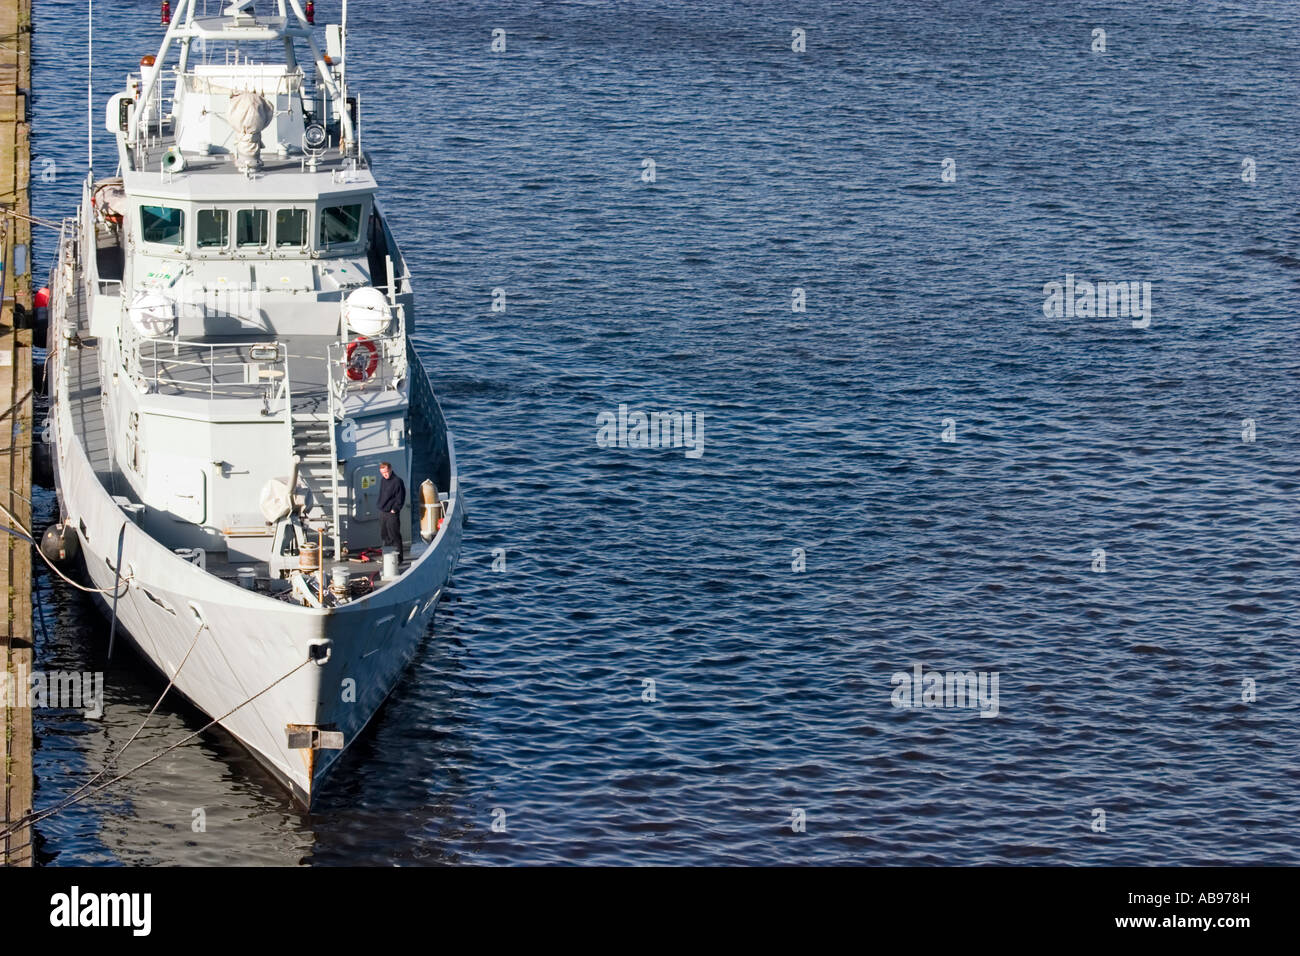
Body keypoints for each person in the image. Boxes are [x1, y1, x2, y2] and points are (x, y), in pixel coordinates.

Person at [376, 461, 406, 562]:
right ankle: (388, 556)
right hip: (383, 511)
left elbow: (400, 497)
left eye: (386, 472)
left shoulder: (397, 481)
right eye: (383, 473)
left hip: (392, 513)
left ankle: (399, 558)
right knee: (384, 535)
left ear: (391, 469)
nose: (385, 474)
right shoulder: (383, 480)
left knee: (394, 535)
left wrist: (395, 509)